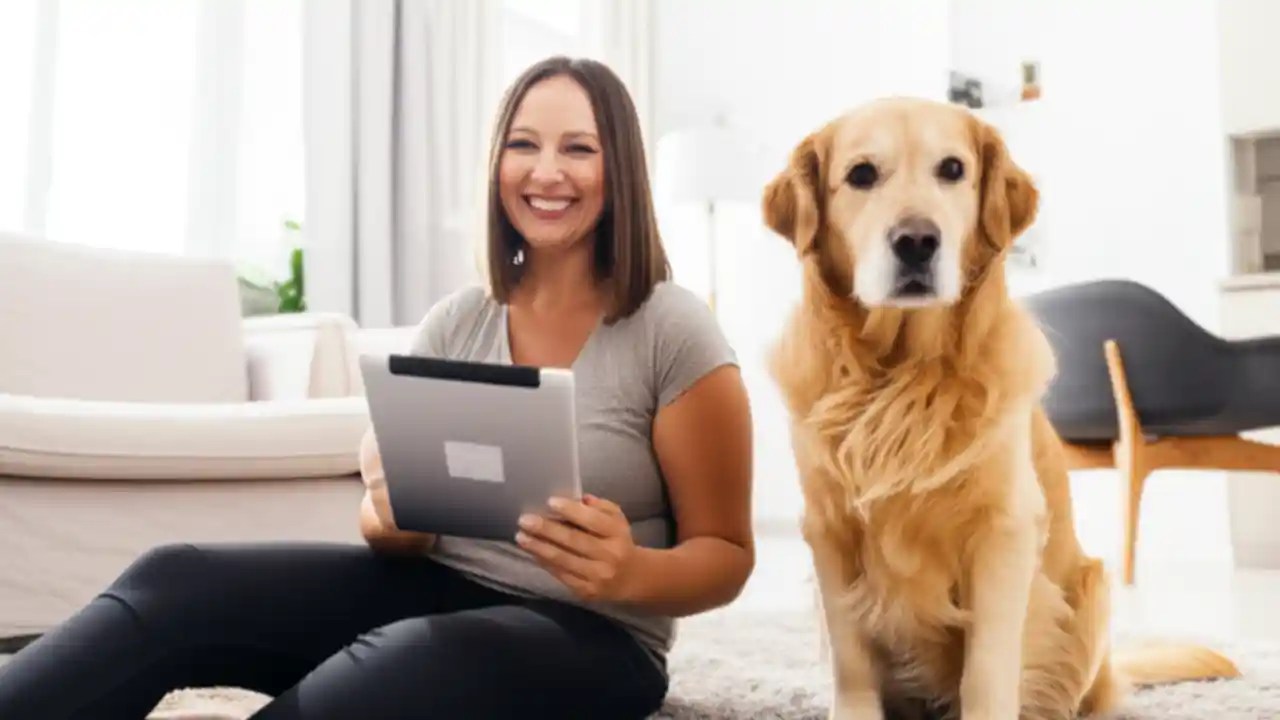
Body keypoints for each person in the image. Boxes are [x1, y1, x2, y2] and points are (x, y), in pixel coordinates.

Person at [0, 55, 755, 720]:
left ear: (618, 168)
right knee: (177, 580)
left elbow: (726, 553)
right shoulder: (458, 321)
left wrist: (632, 570)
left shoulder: (672, 328)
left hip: (593, 637)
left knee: (402, 662)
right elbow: (390, 528)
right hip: (435, 584)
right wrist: (387, 510)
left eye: (578, 149)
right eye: (523, 145)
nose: (546, 171)